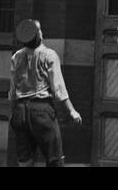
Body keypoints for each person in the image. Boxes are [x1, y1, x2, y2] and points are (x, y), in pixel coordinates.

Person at [8, 18, 81, 168]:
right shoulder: (49, 55)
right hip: (41, 109)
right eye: (39, 30)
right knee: (55, 159)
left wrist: (14, 113)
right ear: (38, 35)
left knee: (24, 159)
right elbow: (58, 89)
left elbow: (12, 91)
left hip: (20, 110)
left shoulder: (16, 57)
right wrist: (72, 111)